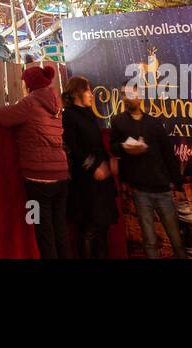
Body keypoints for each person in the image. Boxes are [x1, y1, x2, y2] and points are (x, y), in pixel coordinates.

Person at [0, 62, 70, 259]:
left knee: (43, 232)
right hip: (62, 177)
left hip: (37, 181)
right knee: (60, 229)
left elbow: (0, 116)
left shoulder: (29, 104)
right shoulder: (56, 104)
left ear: (29, 85)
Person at [108, 83, 186, 258]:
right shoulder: (118, 122)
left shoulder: (154, 123)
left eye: (130, 94)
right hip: (139, 190)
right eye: (123, 95)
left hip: (163, 188)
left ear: (140, 96)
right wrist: (124, 147)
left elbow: (168, 154)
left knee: (176, 239)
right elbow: (113, 148)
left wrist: (178, 184)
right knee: (149, 240)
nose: (127, 98)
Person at [61, 75, 117, 258]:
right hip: (86, 183)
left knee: (103, 227)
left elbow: (98, 144)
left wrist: (110, 161)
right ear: (77, 93)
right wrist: (94, 167)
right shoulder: (68, 115)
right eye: (87, 90)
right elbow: (72, 148)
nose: (91, 94)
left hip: (102, 181)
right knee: (89, 229)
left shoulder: (89, 114)